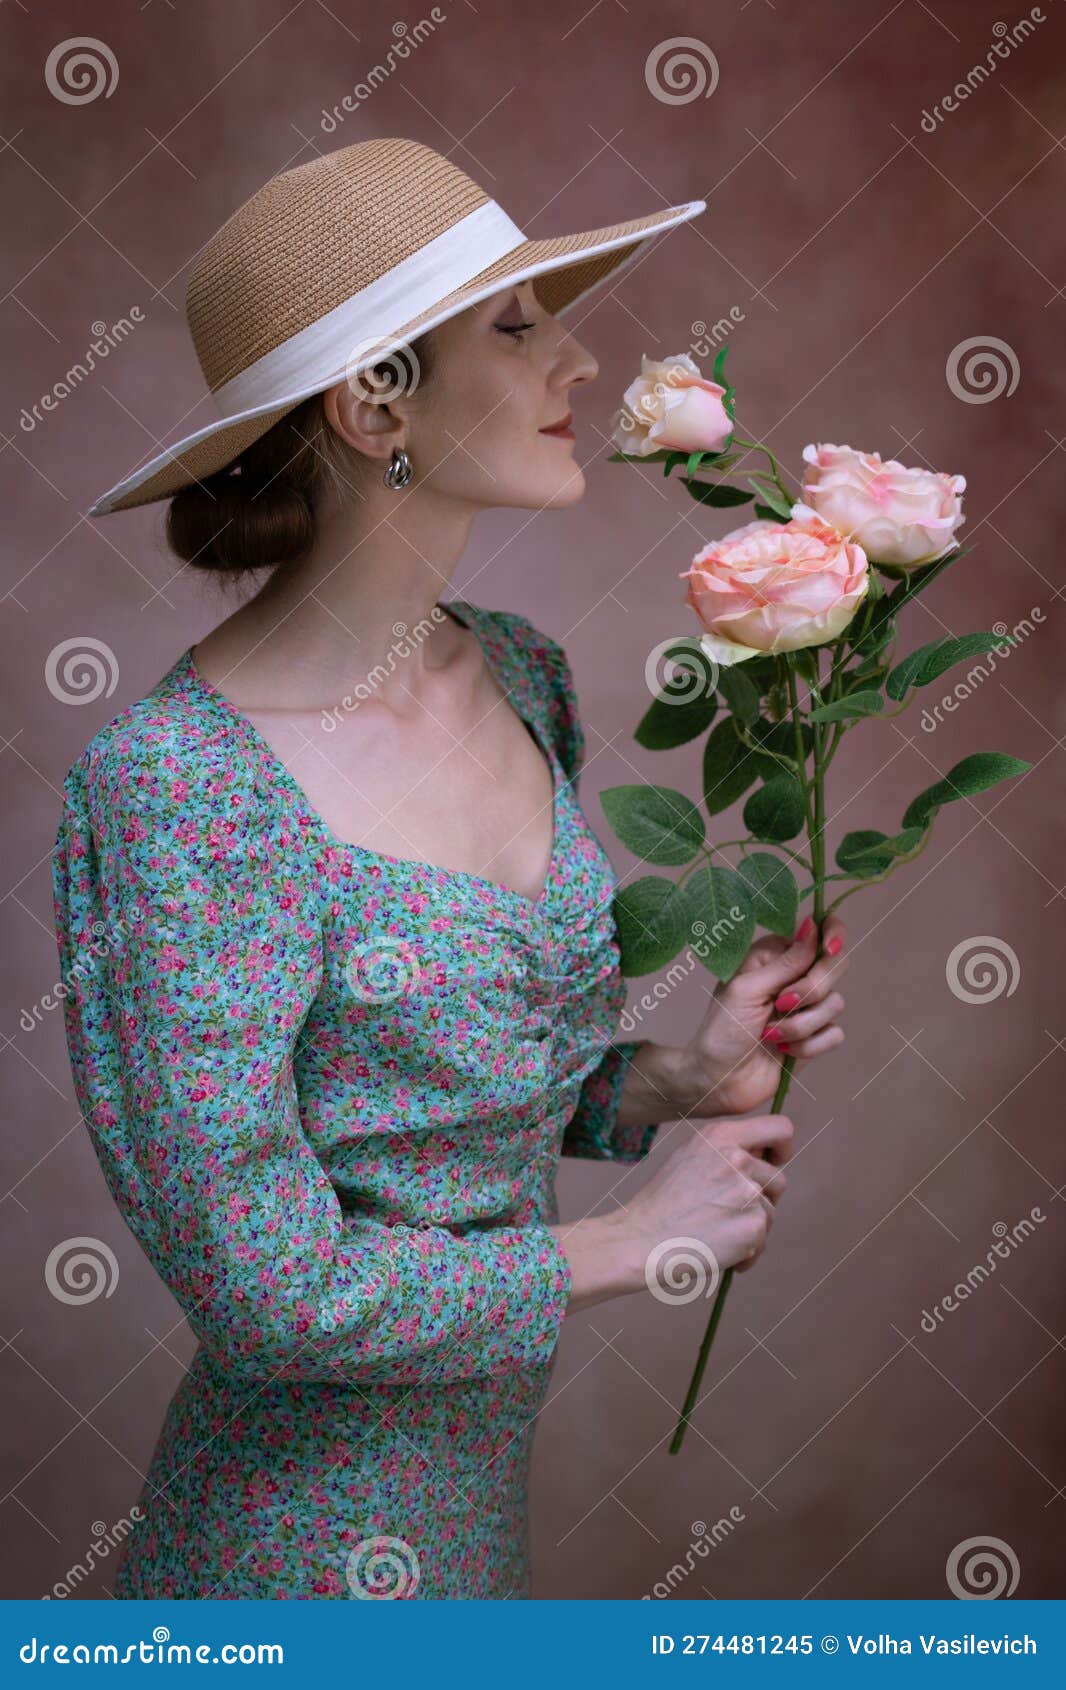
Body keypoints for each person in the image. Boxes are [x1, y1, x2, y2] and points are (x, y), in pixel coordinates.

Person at [52, 138, 848, 1600]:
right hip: (281, 1567)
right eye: (517, 323)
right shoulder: (183, 788)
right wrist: (623, 1243)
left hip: (475, 1541)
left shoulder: (522, 676)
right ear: (374, 403)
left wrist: (688, 1075)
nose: (581, 355)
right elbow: (269, 1295)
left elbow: (440, 1106)